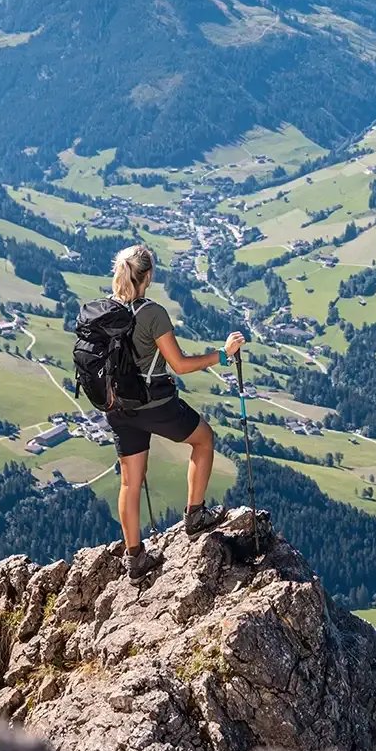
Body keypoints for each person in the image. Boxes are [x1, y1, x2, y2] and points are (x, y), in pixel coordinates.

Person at [106, 244, 243, 579]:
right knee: (204, 439)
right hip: (155, 403)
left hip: (118, 406)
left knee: (130, 482)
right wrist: (222, 355)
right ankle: (195, 515)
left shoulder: (105, 309)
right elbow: (179, 365)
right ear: (148, 276)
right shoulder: (152, 314)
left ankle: (135, 559)